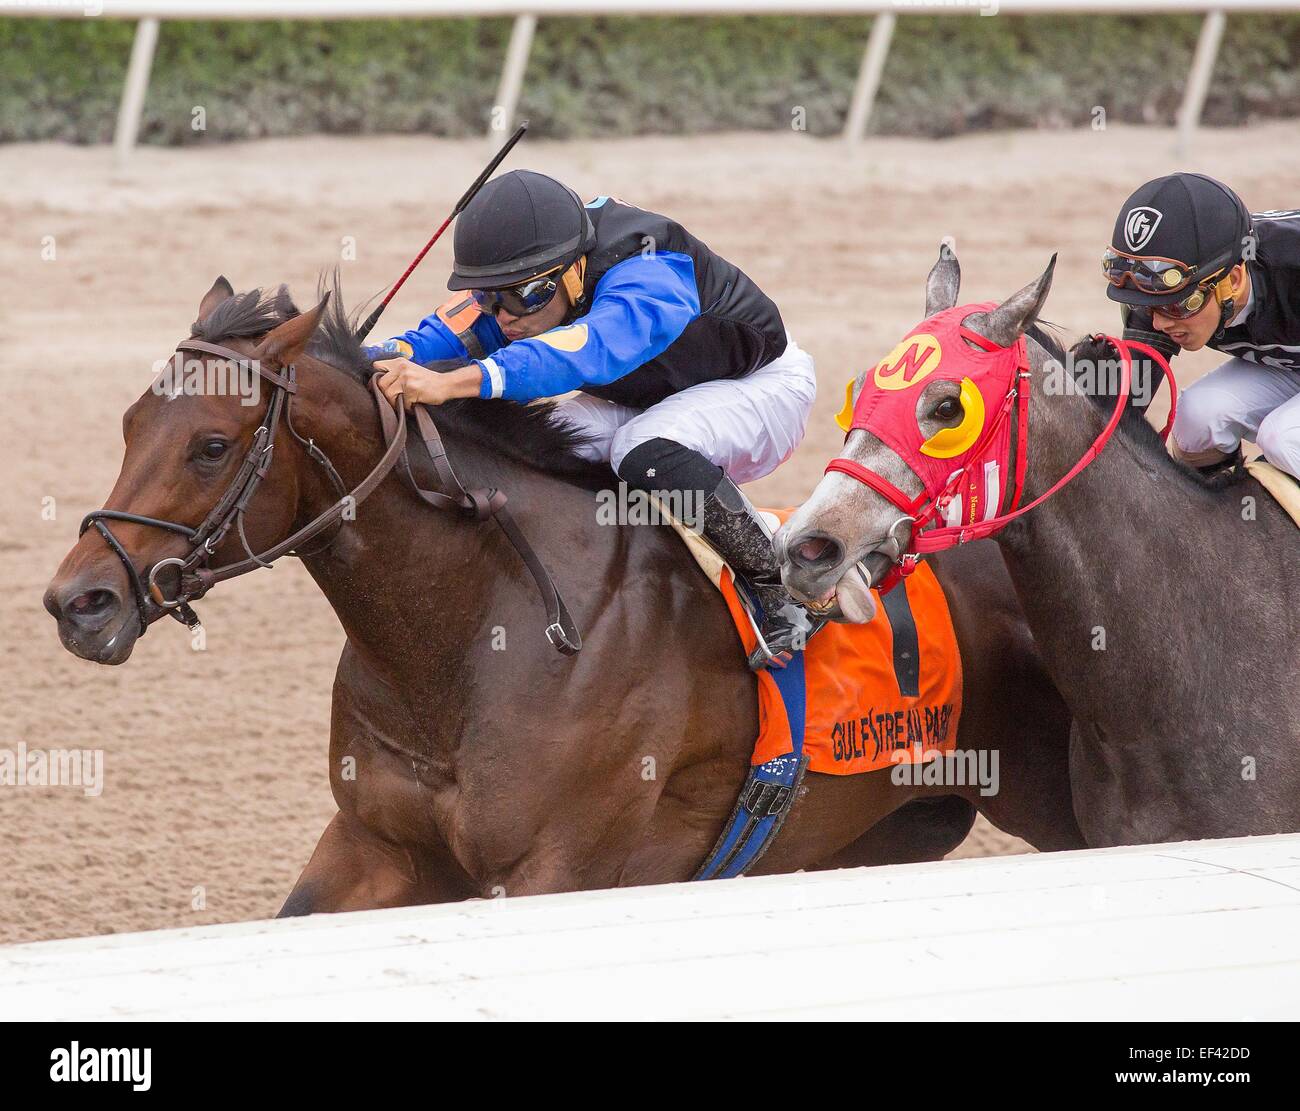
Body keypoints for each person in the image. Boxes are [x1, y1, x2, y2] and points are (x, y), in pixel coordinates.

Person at [365, 169, 819, 667]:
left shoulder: (651, 269)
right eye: (488, 297)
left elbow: (587, 351)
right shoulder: (526, 285)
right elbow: (432, 340)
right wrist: (364, 356)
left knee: (638, 447)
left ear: (573, 270)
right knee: (533, 453)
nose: (504, 317)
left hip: (760, 386)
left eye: (521, 297)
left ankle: (782, 585)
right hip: (654, 393)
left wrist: (451, 383)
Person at [1104, 171, 1300, 479]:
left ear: (1233, 281)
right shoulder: (1157, 290)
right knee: (1198, 417)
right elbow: (1115, 418)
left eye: (1177, 305)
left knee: (1284, 438)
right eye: (1144, 304)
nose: (1159, 323)